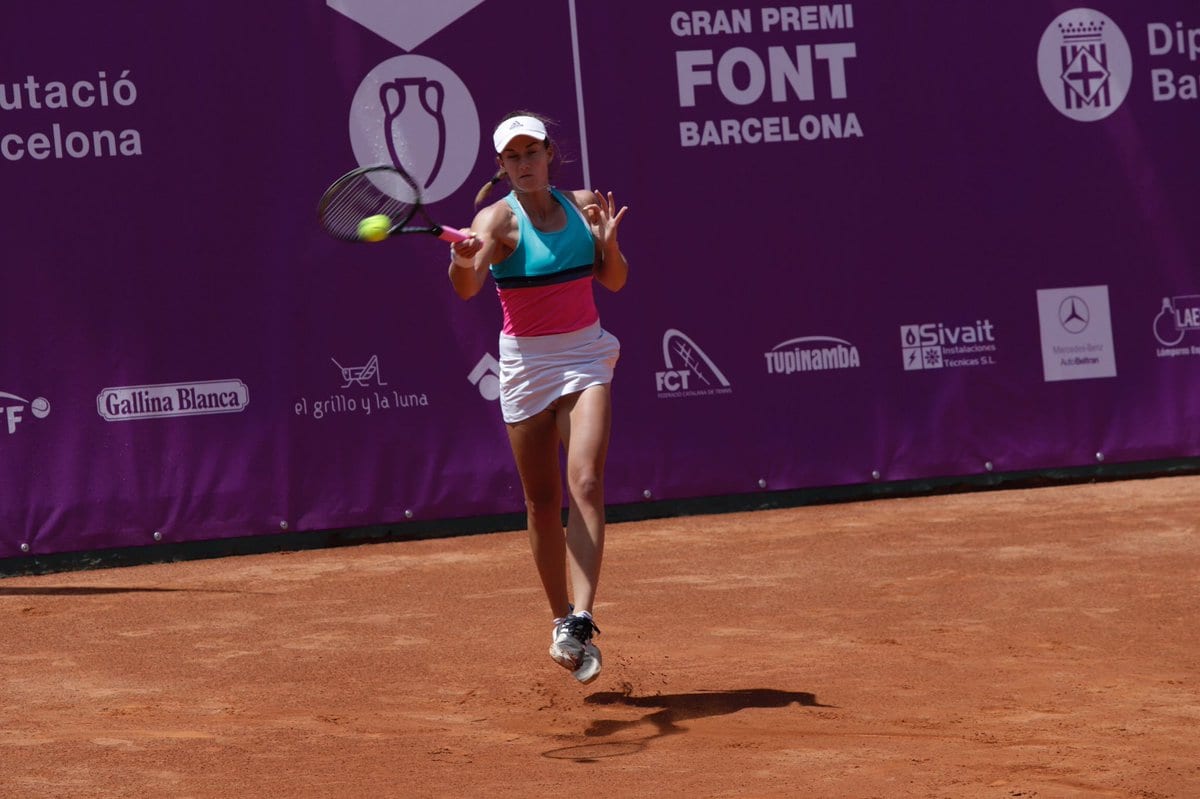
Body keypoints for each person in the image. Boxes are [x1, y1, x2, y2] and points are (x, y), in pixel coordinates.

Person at [447, 112, 628, 684]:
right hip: (526, 364)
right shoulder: (495, 219)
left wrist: (607, 246)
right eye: (512, 158)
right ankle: (559, 621)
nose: (524, 165)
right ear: (501, 167)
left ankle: (580, 617)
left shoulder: (583, 204)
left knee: (587, 481)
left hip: (585, 355)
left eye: (532, 153)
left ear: (550, 153)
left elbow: (614, 280)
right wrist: (461, 258)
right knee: (540, 503)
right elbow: (469, 287)